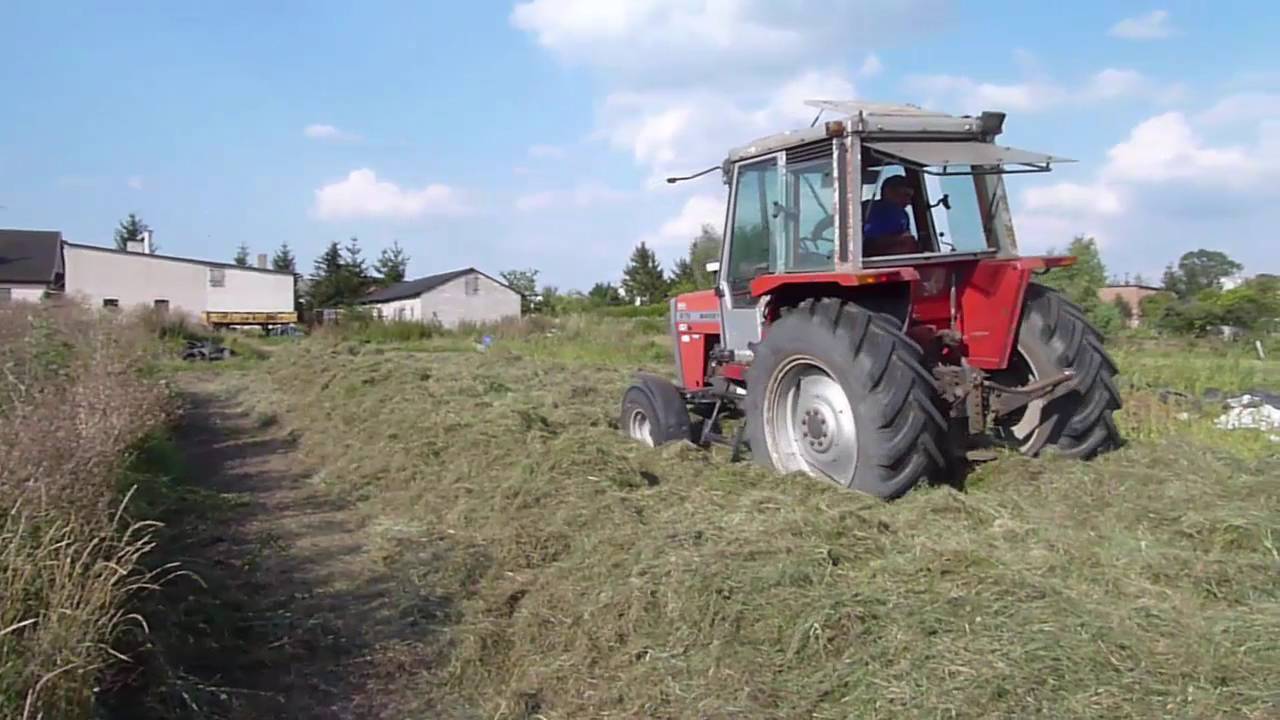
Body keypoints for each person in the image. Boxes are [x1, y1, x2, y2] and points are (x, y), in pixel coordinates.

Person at [863, 174, 921, 257]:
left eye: (910, 197)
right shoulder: (867, 210)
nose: (908, 202)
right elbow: (867, 244)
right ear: (888, 192)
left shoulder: (903, 215)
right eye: (905, 195)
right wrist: (900, 240)